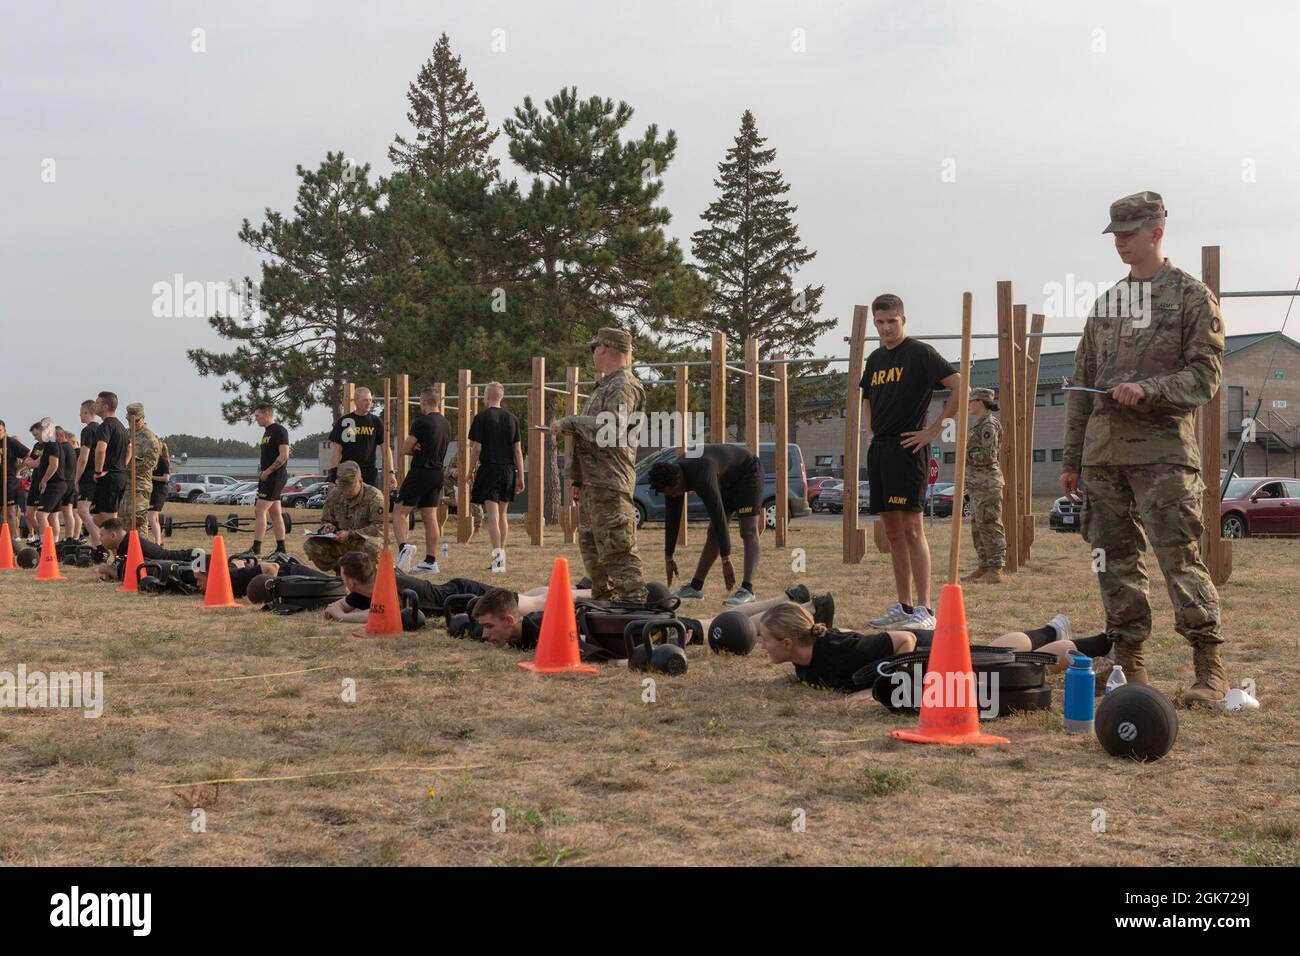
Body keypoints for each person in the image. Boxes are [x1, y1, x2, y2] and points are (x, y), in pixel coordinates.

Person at [1062, 191, 1227, 705]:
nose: (1121, 243)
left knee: (1179, 557)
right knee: (1112, 560)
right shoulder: (1107, 301)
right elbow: (1082, 381)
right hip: (1103, 456)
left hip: (1162, 455)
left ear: (1157, 231)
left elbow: (1207, 375)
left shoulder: (1191, 297)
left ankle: (1208, 665)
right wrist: (1071, 459)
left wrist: (1151, 390)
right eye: (1115, 235)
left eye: (1129, 233)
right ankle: (1131, 667)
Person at [757, 602, 1109, 701]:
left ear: (788, 642)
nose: (761, 645)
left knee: (1014, 666)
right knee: (996, 651)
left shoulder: (836, 651)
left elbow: (902, 642)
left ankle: (1104, 643)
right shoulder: (804, 664)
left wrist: (873, 687)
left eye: (765, 638)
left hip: (924, 651)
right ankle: (1052, 630)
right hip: (923, 667)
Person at [860, 293, 962, 631]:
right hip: (881, 450)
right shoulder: (874, 359)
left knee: (913, 529)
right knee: (891, 532)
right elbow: (866, 398)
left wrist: (934, 430)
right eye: (880, 322)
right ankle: (903, 606)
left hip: (909, 448)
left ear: (903, 320)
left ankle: (925, 609)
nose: (886, 327)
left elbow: (959, 384)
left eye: (892, 321)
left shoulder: (921, 354)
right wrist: (869, 431)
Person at [550, 327, 647, 603]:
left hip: (610, 486)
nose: (593, 354)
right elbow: (589, 442)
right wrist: (578, 480)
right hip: (594, 486)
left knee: (619, 555)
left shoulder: (624, 386)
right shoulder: (604, 386)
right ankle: (606, 614)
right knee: (595, 559)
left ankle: (635, 614)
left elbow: (611, 429)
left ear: (603, 349)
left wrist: (570, 422)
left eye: (594, 349)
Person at [648, 444, 763, 605]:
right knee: (713, 534)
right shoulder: (670, 476)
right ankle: (695, 588)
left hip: (746, 473)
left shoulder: (703, 474)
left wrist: (726, 559)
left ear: (679, 479)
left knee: (748, 530)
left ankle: (747, 589)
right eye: (669, 494)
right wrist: (669, 556)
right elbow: (672, 518)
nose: (673, 496)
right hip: (725, 479)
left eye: (673, 492)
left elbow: (718, 517)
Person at [320, 550, 568, 624]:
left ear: (351, 581)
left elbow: (381, 614)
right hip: (454, 594)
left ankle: (583, 595)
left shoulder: (386, 585)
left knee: (533, 605)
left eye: (342, 576)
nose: (341, 581)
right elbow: (339, 604)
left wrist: (342, 616)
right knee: (531, 598)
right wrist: (340, 609)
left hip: (461, 595)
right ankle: (561, 590)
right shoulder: (363, 589)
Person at [467, 382, 524, 569]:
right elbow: (517, 450)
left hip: (490, 468)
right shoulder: (512, 419)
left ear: (487, 397)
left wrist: (469, 471)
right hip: (508, 470)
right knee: (503, 515)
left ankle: (497, 559)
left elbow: (476, 449)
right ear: (501, 397)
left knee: (492, 516)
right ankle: (502, 556)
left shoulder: (481, 418)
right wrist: (521, 476)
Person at [394, 387, 451, 574]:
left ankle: (404, 548)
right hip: (437, 473)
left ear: (424, 402)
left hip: (420, 472)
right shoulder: (445, 423)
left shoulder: (421, 422)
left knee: (399, 512)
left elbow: (405, 448)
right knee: (430, 516)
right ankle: (430, 560)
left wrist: (414, 447)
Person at [303, 460, 385, 572]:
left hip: (362, 544)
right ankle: (342, 572)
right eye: (343, 486)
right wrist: (328, 527)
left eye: (350, 486)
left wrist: (351, 534)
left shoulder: (374, 496)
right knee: (311, 545)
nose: (346, 490)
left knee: (373, 547)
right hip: (340, 542)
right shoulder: (334, 495)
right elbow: (326, 520)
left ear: (360, 481)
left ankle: (370, 577)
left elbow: (380, 528)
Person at [963, 387, 1006, 583]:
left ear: (980, 402)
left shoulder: (989, 425)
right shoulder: (978, 425)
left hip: (987, 483)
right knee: (977, 526)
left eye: (972, 401)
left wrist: (966, 455)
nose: (969, 405)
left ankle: (996, 568)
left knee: (989, 524)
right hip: (977, 484)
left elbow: (989, 455)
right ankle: (984, 565)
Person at [237, 402, 289, 559]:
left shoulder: (279, 430)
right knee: (275, 513)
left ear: (267, 413)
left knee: (259, 510)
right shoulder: (266, 432)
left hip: (275, 476)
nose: (256, 419)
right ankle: (281, 548)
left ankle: (256, 548)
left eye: (258, 416)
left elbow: (284, 455)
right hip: (267, 477)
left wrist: (268, 471)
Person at [328, 386, 392, 490]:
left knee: (370, 503)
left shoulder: (376, 422)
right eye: (365, 400)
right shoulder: (344, 421)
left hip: (369, 473)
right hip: (348, 472)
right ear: (356, 402)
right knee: (348, 504)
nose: (369, 403)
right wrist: (332, 478)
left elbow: (386, 449)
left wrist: (391, 472)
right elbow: (336, 451)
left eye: (370, 400)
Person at [118, 403, 160, 536]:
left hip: (140, 486)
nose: (133, 424)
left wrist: (128, 468)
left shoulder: (150, 438)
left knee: (137, 520)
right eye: (129, 421)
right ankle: (126, 553)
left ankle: (141, 551)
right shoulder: (125, 434)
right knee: (123, 519)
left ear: (143, 418)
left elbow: (150, 463)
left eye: (136, 421)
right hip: (125, 485)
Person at [90, 391, 130, 527]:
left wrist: (98, 471)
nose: (94, 406)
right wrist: (121, 466)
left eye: (97, 403)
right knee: (98, 517)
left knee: (108, 519)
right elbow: (129, 449)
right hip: (119, 475)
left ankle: (116, 546)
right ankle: (106, 546)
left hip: (109, 477)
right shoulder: (122, 428)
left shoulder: (106, 426)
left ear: (105, 406)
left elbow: (101, 449)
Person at [25, 419, 65, 540]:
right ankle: (52, 543)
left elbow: (54, 464)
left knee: (41, 515)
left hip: (54, 484)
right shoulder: (47, 445)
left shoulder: (52, 444)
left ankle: (46, 543)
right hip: (53, 483)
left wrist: (44, 480)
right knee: (51, 516)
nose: (35, 438)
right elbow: (36, 462)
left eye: (36, 435)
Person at [73, 400, 101, 548]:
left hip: (88, 475)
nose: (79, 416)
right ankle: (97, 542)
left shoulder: (87, 430)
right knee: (94, 512)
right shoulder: (101, 428)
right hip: (100, 474)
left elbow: (83, 458)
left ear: (86, 412)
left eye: (80, 412)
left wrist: (76, 479)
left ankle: (98, 541)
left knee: (82, 510)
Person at [1, 420, 31, 535]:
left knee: (10, 511)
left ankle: (14, 537)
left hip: (8, 480)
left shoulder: (10, 442)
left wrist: (18, 468)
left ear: (4, 431)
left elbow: (28, 454)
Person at [56, 427, 79, 540]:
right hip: (70, 482)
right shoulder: (70, 448)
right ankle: (70, 537)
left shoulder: (63, 448)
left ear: (60, 436)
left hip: (66, 482)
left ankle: (70, 537)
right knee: (68, 512)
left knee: (67, 512)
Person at [147, 440, 171, 545]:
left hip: (159, 491)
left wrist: (151, 477)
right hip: (154, 490)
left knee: (151, 517)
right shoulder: (154, 461)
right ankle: (158, 541)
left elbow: (166, 478)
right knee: (154, 517)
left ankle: (157, 542)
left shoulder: (163, 461)